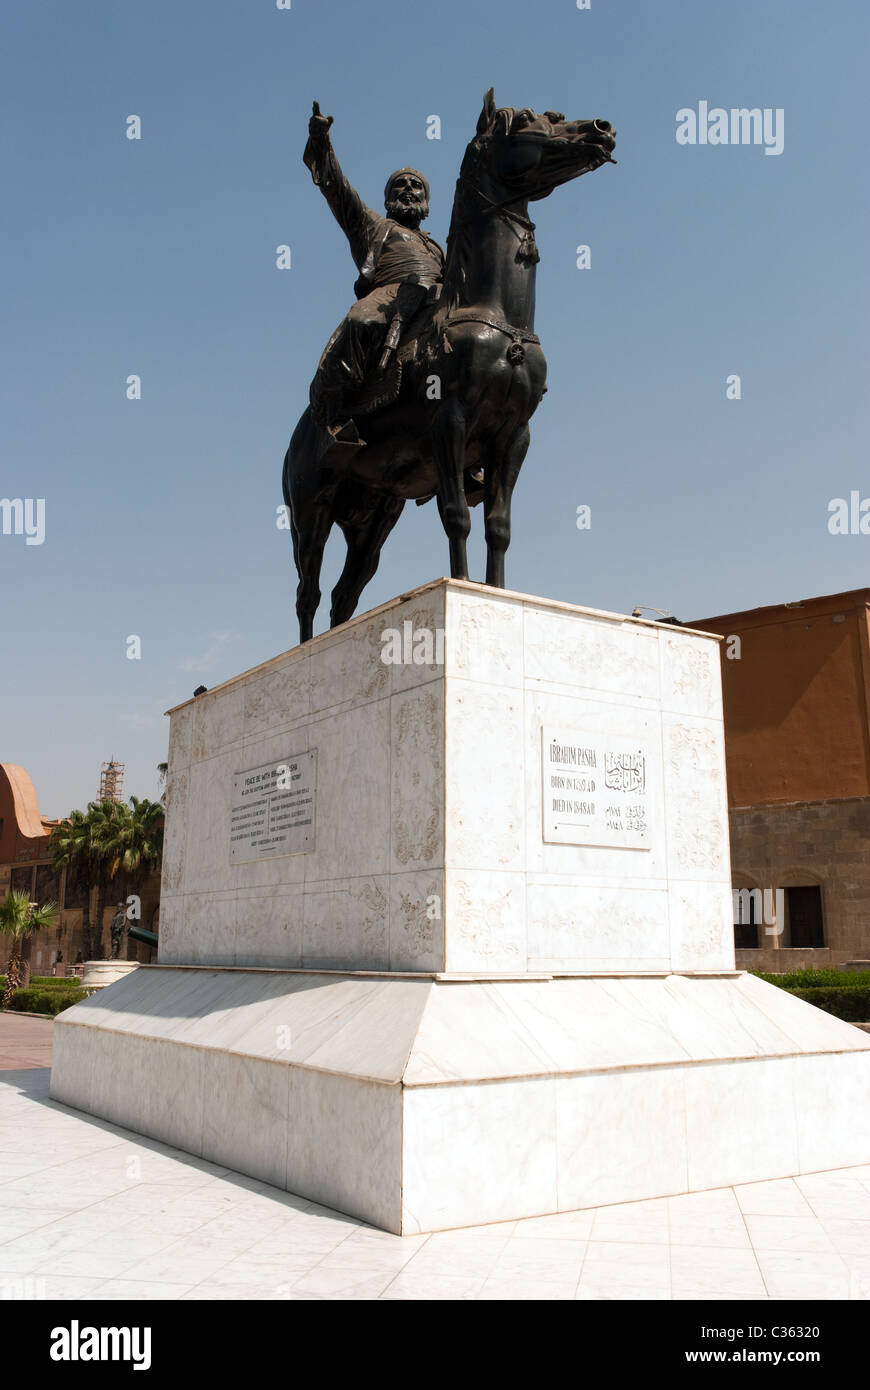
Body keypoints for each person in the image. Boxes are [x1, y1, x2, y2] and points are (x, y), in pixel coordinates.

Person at [303, 101, 444, 445]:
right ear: (386, 199)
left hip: (436, 299)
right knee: (361, 320)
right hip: (391, 295)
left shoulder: (438, 247)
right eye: (400, 185)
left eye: (416, 186)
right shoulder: (373, 226)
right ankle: (334, 411)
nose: (408, 189)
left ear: (426, 201)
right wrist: (322, 144)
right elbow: (337, 189)